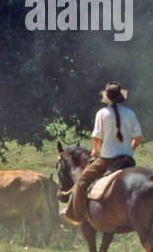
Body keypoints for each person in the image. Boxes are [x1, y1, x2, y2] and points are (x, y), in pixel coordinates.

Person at [61, 81, 142, 225]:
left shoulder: (102, 113)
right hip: (127, 160)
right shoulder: (130, 113)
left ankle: (74, 215)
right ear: (121, 97)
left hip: (107, 159)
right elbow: (138, 137)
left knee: (81, 182)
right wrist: (130, 150)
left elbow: (97, 137)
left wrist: (94, 151)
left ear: (108, 98)